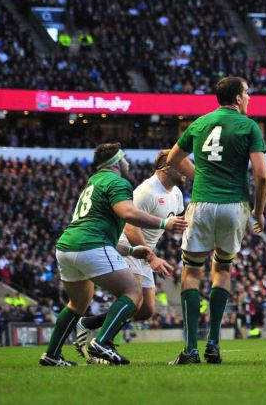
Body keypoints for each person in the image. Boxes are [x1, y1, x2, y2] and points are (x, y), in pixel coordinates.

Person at [40, 143, 186, 367]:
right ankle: (102, 342)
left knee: (77, 304)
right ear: (117, 162)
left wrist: (130, 250)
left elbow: (97, 227)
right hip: (92, 245)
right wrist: (164, 223)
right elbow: (127, 215)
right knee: (131, 292)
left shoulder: (94, 182)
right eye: (125, 158)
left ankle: (52, 355)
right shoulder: (119, 182)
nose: (128, 163)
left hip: (67, 246)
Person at [167, 76, 266, 365]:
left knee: (191, 273)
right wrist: (258, 211)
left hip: (201, 203)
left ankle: (190, 349)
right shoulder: (249, 126)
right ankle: (213, 342)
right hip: (233, 206)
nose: (249, 98)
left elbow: (173, 159)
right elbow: (262, 176)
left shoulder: (199, 124)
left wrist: (202, 178)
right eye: (247, 93)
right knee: (222, 269)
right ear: (237, 98)